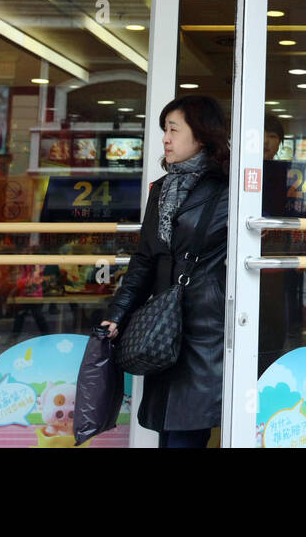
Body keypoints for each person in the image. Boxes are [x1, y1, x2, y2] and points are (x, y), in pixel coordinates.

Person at [100, 95, 230, 448]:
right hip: (162, 325)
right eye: (164, 130)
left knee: (186, 431)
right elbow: (145, 259)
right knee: (168, 431)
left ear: (201, 136)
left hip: (205, 328)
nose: (165, 139)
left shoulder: (228, 190)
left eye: (173, 129)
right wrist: (118, 313)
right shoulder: (162, 189)